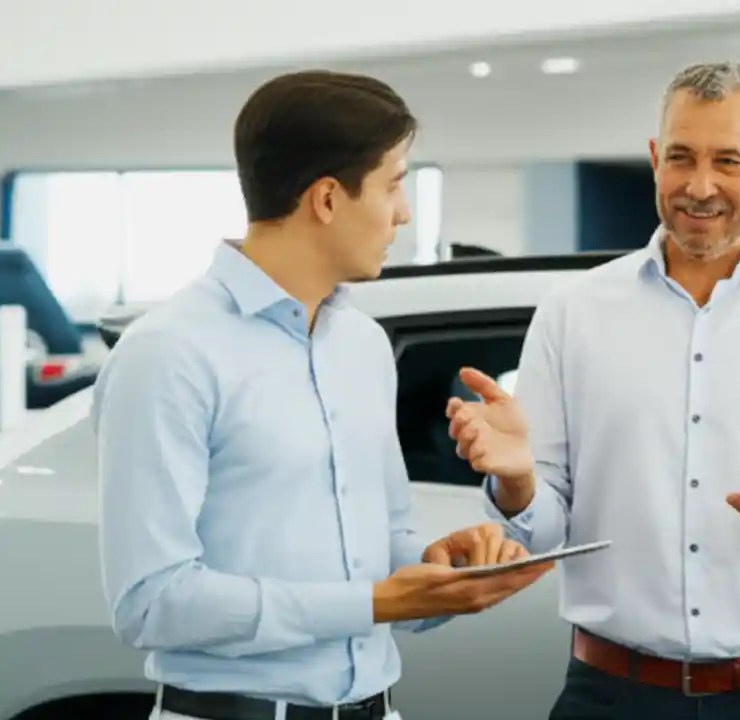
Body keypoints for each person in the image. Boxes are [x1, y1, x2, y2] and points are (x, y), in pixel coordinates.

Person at [445, 61, 740, 719]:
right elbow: (540, 533)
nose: (700, 186)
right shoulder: (573, 313)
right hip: (611, 696)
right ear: (655, 159)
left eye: (728, 162)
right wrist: (518, 482)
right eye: (682, 158)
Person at [92, 70, 553, 720]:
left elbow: (385, 543)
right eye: (394, 184)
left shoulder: (361, 345)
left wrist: (435, 571)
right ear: (328, 199)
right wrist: (381, 601)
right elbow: (150, 602)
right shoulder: (168, 353)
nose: (404, 211)